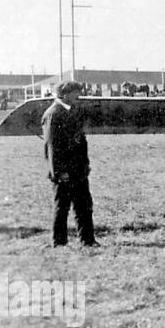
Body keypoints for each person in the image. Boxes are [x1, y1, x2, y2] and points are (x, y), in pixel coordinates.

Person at [42, 81, 98, 248]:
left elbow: (81, 141)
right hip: (64, 172)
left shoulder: (71, 111)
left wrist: (85, 164)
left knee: (84, 206)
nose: (78, 96)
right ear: (64, 94)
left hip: (78, 170)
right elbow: (52, 147)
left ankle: (88, 240)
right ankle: (59, 242)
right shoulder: (53, 113)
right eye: (75, 92)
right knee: (62, 207)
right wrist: (59, 172)